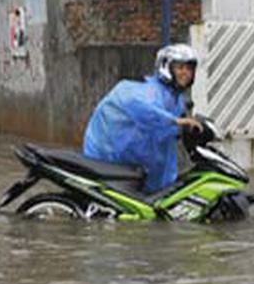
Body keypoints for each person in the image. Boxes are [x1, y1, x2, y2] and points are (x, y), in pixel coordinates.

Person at [82, 44, 203, 194]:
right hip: (110, 157)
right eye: (180, 68)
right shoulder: (150, 90)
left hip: (142, 166)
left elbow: (168, 132)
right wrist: (175, 121)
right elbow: (142, 108)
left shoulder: (176, 98)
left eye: (189, 69)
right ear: (166, 68)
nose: (186, 73)